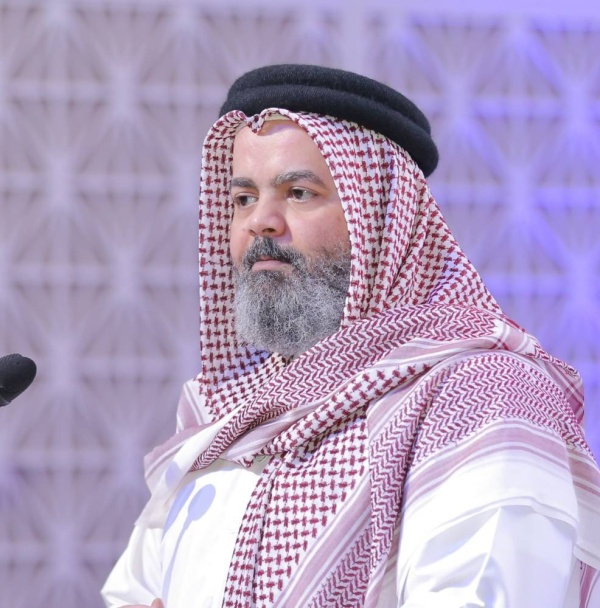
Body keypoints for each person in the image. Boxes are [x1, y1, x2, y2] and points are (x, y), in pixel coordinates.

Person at [101, 64, 600, 608]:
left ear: (382, 219)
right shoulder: (225, 415)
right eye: (243, 198)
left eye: (298, 192)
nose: (260, 221)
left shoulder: (482, 396)